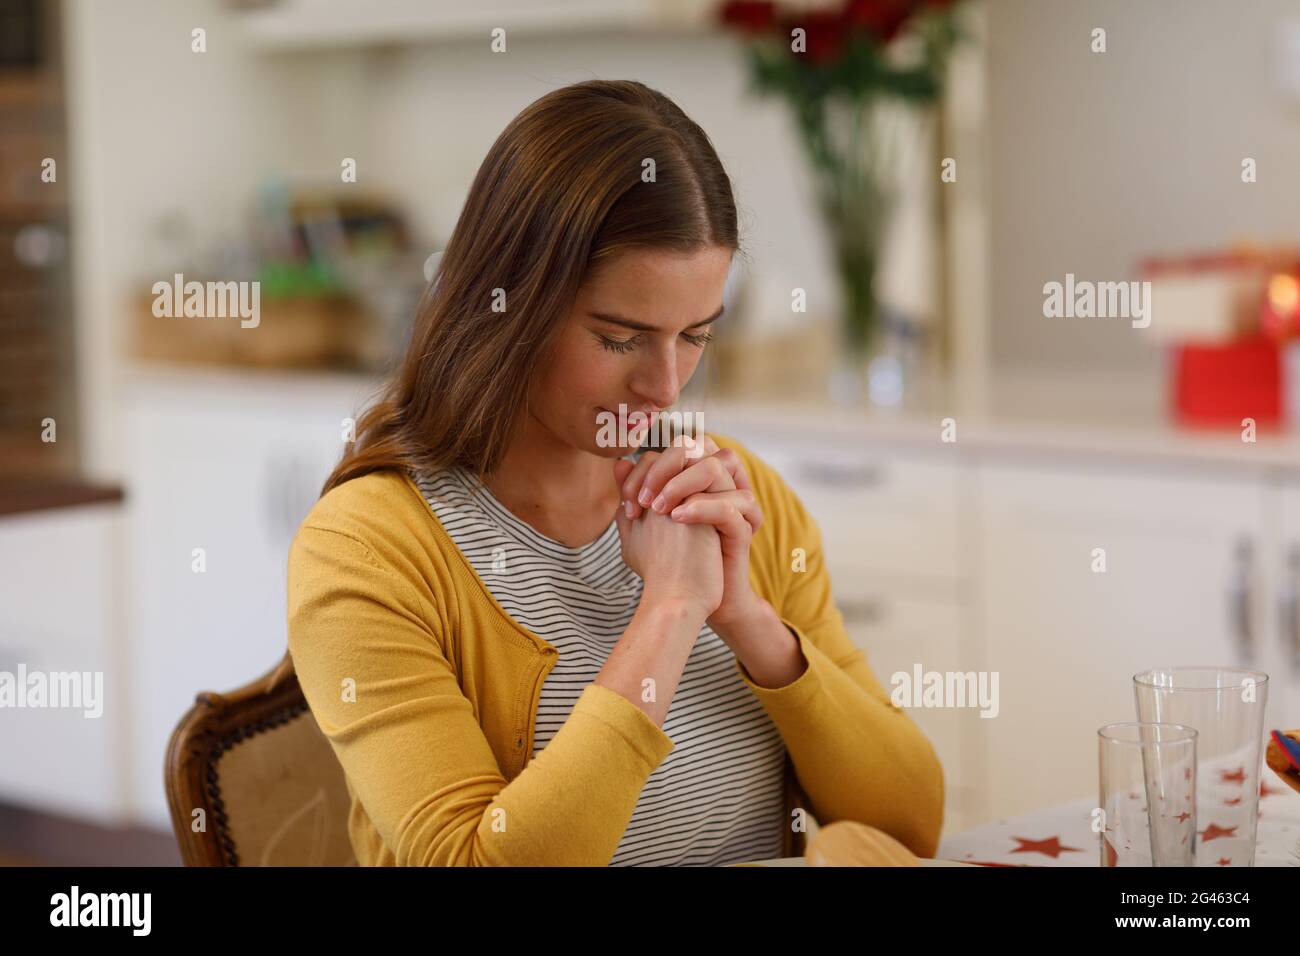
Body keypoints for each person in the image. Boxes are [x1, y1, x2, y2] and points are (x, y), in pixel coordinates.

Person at [286, 78, 943, 866]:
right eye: (620, 338)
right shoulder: (367, 550)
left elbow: (911, 823)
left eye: (696, 334)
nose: (667, 387)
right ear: (508, 307)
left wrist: (750, 622)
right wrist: (668, 613)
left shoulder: (740, 500)